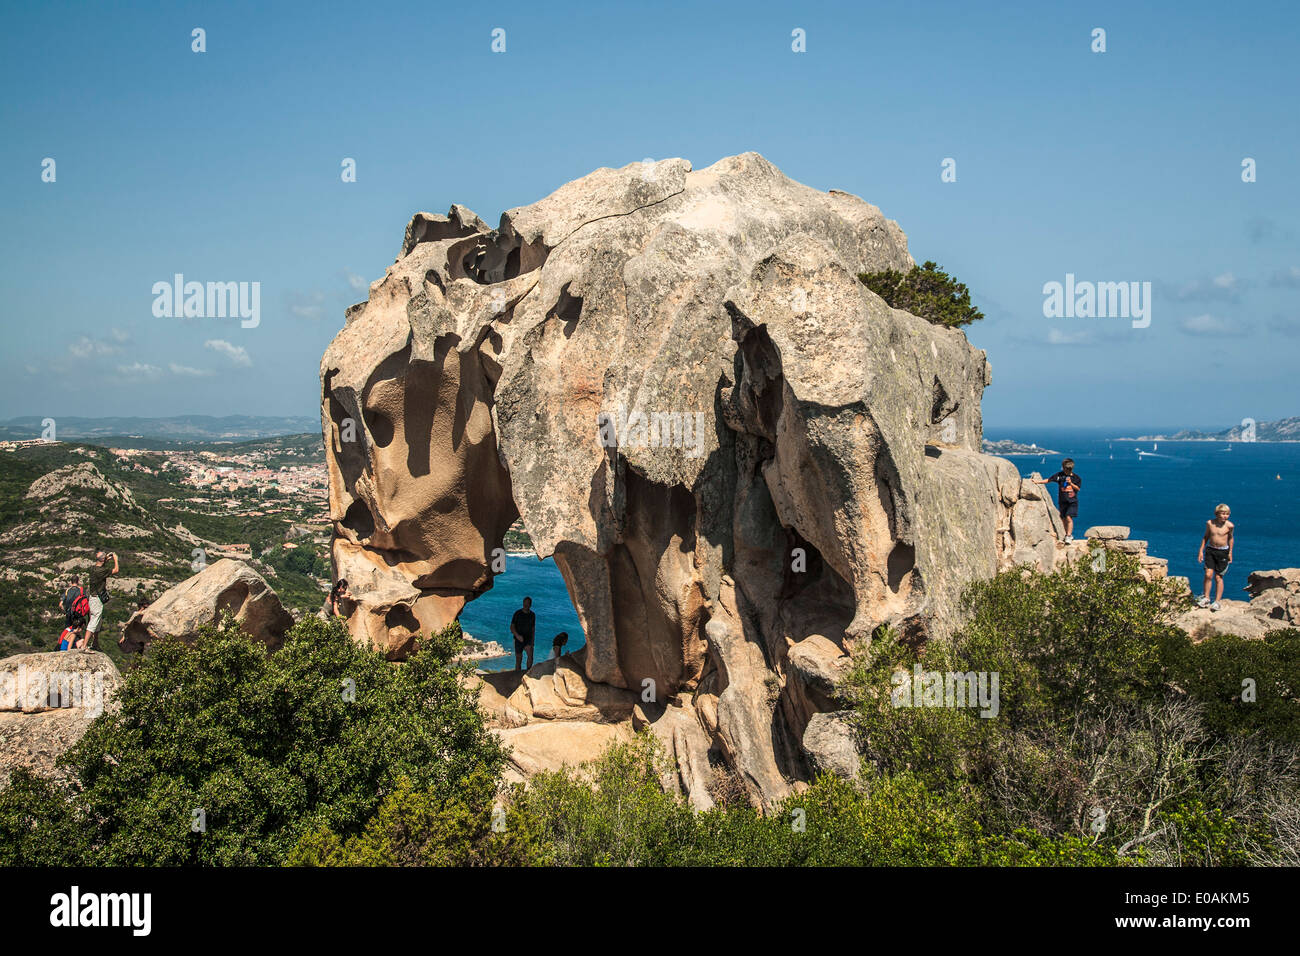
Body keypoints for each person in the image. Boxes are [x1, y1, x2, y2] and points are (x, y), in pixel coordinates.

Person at [1033, 458, 1083, 543]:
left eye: (1067, 469)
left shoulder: (1076, 478)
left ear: (1071, 469)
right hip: (1063, 501)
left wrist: (1071, 483)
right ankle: (1067, 534)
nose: (1065, 470)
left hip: (1072, 502)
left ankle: (1068, 535)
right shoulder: (1060, 475)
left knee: (1069, 517)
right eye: (1064, 469)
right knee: (1063, 518)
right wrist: (1037, 482)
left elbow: (1078, 488)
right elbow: (1049, 480)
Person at [1197, 504, 1234, 611]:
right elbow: (1206, 537)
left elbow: (1231, 538)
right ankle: (1206, 597)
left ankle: (1217, 601)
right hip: (1211, 550)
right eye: (1223, 513)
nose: (1225, 516)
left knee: (1218, 577)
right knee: (1208, 574)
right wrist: (1201, 551)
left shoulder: (1230, 526)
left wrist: (1230, 552)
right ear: (1217, 514)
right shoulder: (1210, 523)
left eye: (1227, 514)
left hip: (1223, 552)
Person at [85, 550, 118, 651]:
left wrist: (105, 559)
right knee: (94, 621)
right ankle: (84, 645)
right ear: (103, 560)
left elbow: (101, 565)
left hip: (92, 597)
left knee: (98, 622)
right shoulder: (101, 571)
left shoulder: (93, 568)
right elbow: (116, 570)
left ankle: (95, 644)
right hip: (97, 599)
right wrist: (116, 560)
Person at [510, 596, 536, 671]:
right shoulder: (517, 613)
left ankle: (528, 672)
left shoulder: (532, 615)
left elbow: (533, 628)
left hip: (528, 639)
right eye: (525, 603)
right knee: (519, 659)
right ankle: (517, 675)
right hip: (518, 639)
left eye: (527, 604)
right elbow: (512, 627)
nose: (526, 605)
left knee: (530, 656)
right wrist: (517, 636)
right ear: (523, 603)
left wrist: (532, 641)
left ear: (530, 605)